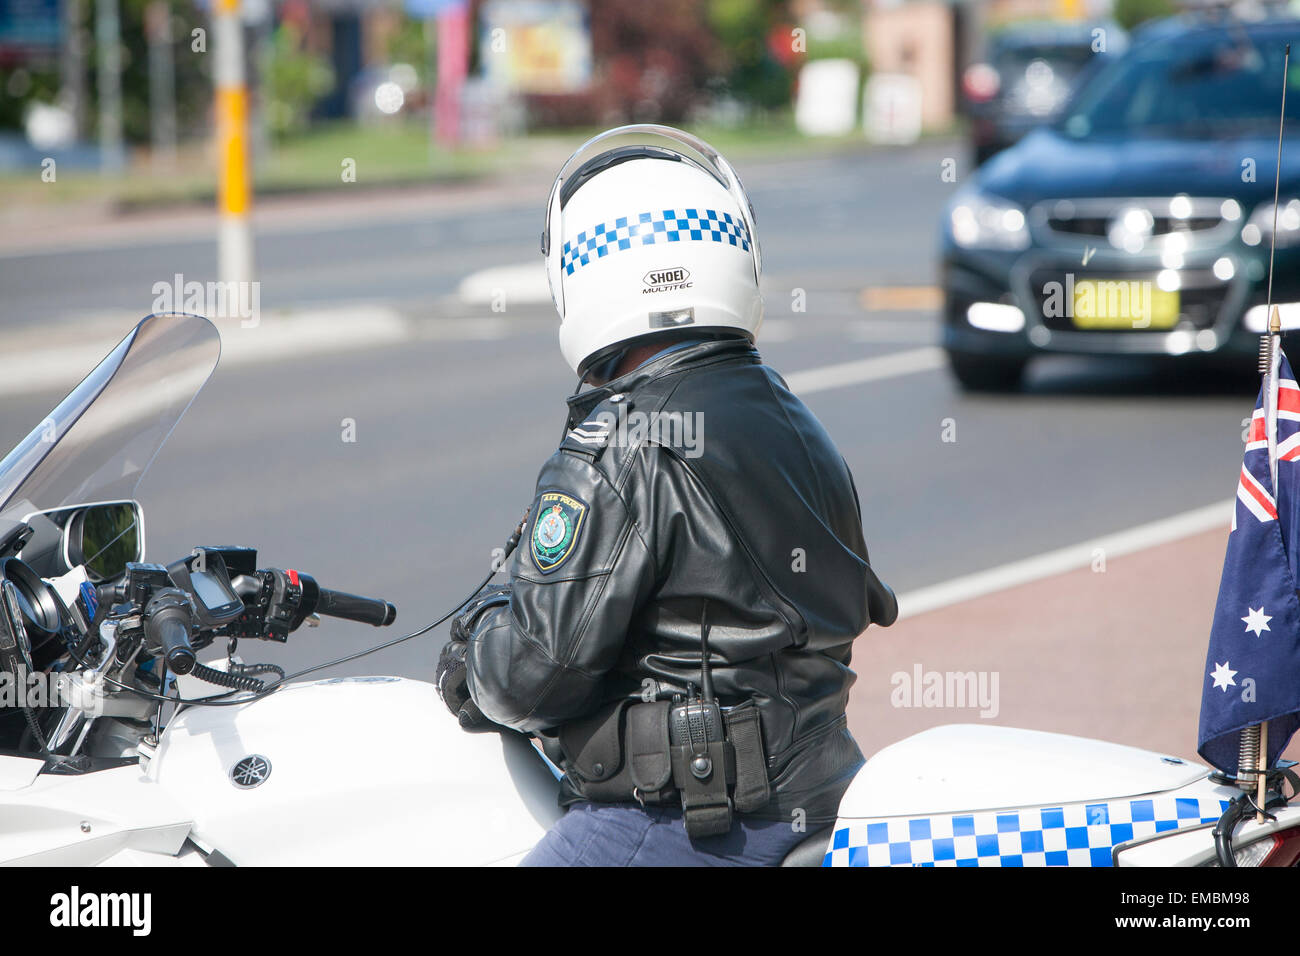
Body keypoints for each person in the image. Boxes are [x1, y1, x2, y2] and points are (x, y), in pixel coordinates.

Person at [435, 126, 896, 866]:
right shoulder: (789, 414)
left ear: (583, 270)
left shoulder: (619, 443)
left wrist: (472, 652)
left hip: (683, 822)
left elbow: (535, 675)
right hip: (821, 785)